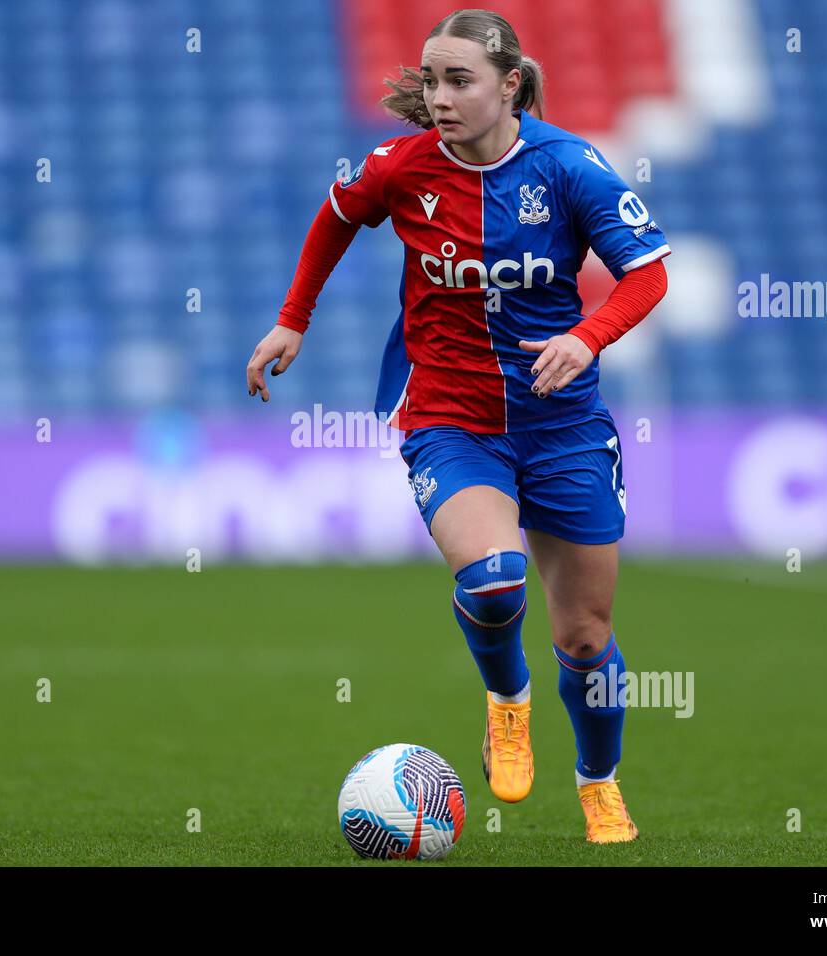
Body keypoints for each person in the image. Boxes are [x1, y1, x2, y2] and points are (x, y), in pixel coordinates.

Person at [245, 8, 669, 844]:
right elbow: (333, 218)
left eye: (459, 81)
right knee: (494, 579)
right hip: (449, 415)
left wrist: (586, 338)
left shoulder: (570, 166)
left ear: (510, 84)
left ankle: (599, 783)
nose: (438, 97)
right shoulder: (401, 166)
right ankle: (507, 703)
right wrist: (294, 318)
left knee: (585, 637)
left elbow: (647, 276)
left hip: (564, 428)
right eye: (431, 80)